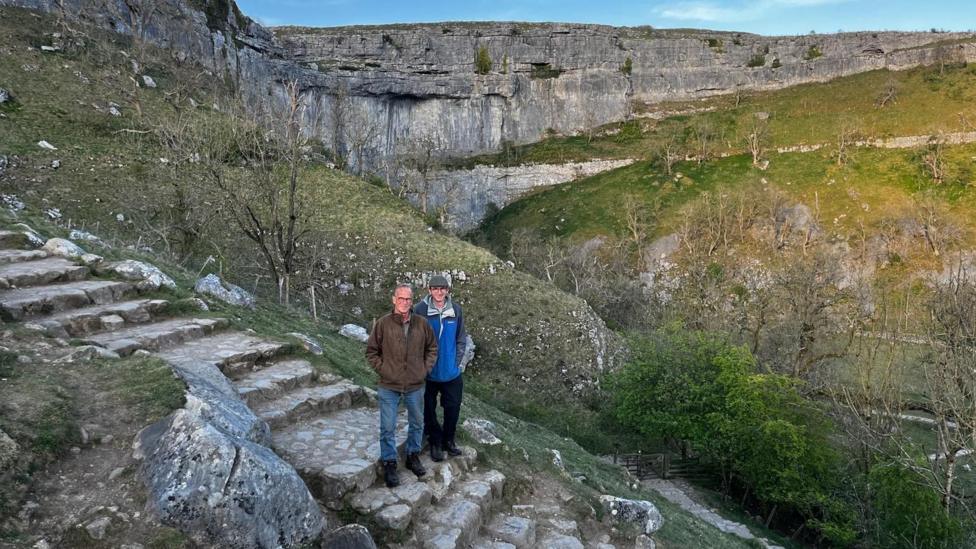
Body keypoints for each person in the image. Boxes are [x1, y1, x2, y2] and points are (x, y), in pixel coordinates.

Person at [366, 283, 438, 488]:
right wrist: (384, 370)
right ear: (394, 299)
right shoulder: (383, 324)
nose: (405, 302)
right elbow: (371, 352)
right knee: (387, 427)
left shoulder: (422, 324)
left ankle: (412, 455)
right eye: (401, 298)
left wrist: (424, 370)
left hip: (415, 384)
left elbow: (432, 348)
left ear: (412, 301)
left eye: (408, 299)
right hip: (389, 384)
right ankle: (389, 463)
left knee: (417, 422)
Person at [414, 274, 467, 462]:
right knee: (428, 410)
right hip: (428, 373)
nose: (439, 292)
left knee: (452, 408)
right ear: (429, 290)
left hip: (451, 373)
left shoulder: (456, 310)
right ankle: (435, 442)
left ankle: (448, 440)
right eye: (435, 288)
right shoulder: (420, 310)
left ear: (447, 290)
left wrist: (456, 362)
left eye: (442, 288)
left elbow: (461, 338)